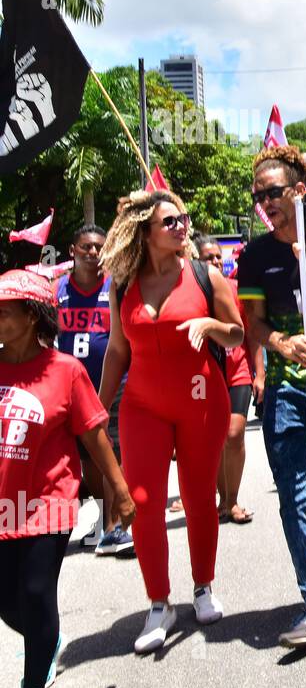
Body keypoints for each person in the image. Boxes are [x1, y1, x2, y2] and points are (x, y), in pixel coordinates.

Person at [99, 190, 245, 653]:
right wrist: (99, 410)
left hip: (201, 400)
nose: (181, 227)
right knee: (141, 503)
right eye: (169, 222)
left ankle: (202, 587)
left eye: (182, 219)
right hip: (143, 406)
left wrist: (211, 328)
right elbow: (118, 351)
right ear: (146, 232)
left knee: (201, 499)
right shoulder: (122, 285)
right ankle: (159, 604)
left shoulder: (206, 276)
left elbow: (238, 331)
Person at [0, 269, 135, 688]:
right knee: (9, 603)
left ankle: (33, 685)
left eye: (4, 312)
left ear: (32, 316)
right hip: (5, 502)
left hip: (48, 502)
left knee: (38, 593)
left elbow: (95, 435)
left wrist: (121, 492)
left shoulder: (66, 371)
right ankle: (46, 637)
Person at [238, 145, 306, 646]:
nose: (265, 203)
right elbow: (251, 325)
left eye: (273, 192)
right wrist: (282, 342)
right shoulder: (254, 255)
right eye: (258, 196)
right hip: (285, 390)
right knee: (295, 493)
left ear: (299, 190)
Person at [56, 224, 134, 556]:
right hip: (70, 387)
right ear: (73, 251)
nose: (93, 252)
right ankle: (105, 524)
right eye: (86, 246)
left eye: (99, 247)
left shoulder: (116, 286)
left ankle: (115, 527)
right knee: (89, 460)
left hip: (112, 384)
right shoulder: (56, 290)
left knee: (112, 453)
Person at [194, 234, 260, 525]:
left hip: (238, 370)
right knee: (214, 439)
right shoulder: (190, 292)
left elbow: (253, 333)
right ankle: (221, 501)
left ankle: (232, 500)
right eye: (209, 257)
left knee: (234, 434)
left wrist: (261, 373)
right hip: (204, 375)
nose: (216, 261)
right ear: (196, 260)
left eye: (218, 256)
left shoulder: (235, 289)